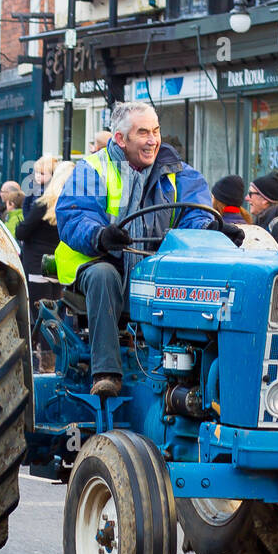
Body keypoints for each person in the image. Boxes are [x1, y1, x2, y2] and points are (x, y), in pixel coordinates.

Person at [55, 100, 240, 398]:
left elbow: (196, 214)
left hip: (154, 267)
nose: (152, 140)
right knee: (103, 275)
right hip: (101, 261)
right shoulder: (92, 170)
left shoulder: (179, 173)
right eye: (142, 132)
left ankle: (199, 376)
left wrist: (210, 230)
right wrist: (100, 235)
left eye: (155, 131)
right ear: (121, 139)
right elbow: (74, 215)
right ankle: (107, 373)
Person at [16, 159, 72, 318]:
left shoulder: (43, 202)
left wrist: (19, 226)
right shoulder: (69, 204)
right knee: (55, 316)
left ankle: (40, 344)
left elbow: (22, 231)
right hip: (57, 265)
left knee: (40, 317)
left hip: (36, 264)